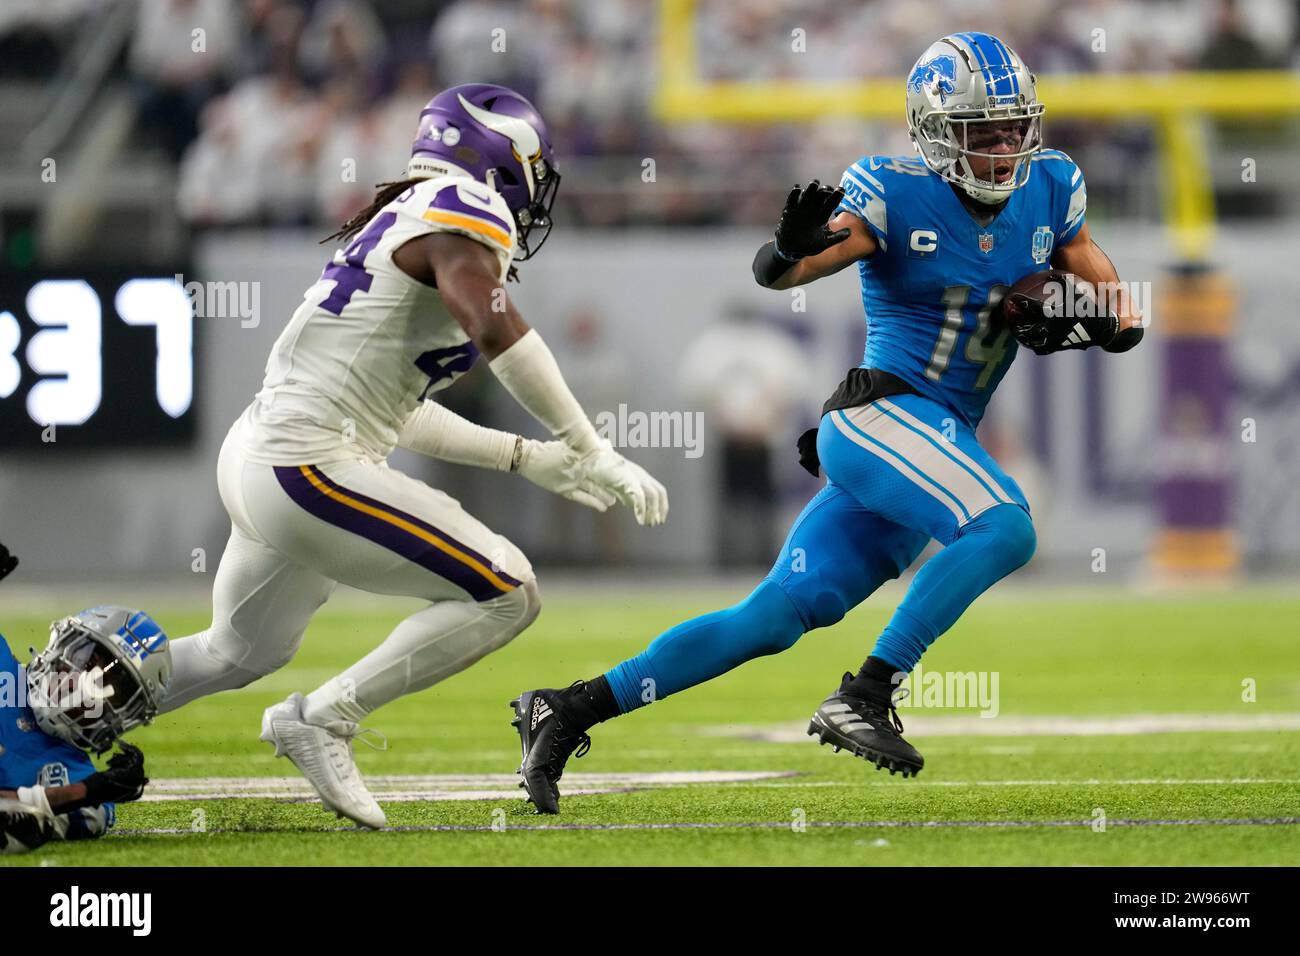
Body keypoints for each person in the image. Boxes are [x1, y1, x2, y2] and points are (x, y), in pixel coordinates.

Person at [510, 33, 1144, 813]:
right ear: (937, 132)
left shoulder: (1052, 186)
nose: (1003, 147)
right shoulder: (893, 191)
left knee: (773, 618)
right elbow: (790, 270)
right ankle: (868, 694)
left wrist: (1107, 317)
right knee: (1006, 526)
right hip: (881, 419)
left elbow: (1108, 289)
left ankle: (566, 708)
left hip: (930, 446)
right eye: (983, 132)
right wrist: (784, 250)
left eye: (1013, 128)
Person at [159, 83, 667, 829]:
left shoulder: (407, 210)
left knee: (236, 650)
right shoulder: (464, 208)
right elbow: (499, 333)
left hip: (266, 452)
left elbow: (396, 411)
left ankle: (66, 709)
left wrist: (528, 456)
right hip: (307, 462)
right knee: (508, 590)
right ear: (503, 160)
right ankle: (325, 717)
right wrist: (591, 447)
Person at [0, 543, 165, 854]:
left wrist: (89, 791)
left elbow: (15, 825)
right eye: (84, 662)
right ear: (59, 647)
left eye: (110, 684)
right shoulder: (3, 666)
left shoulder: (79, 782)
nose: (84, 685)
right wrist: (84, 792)